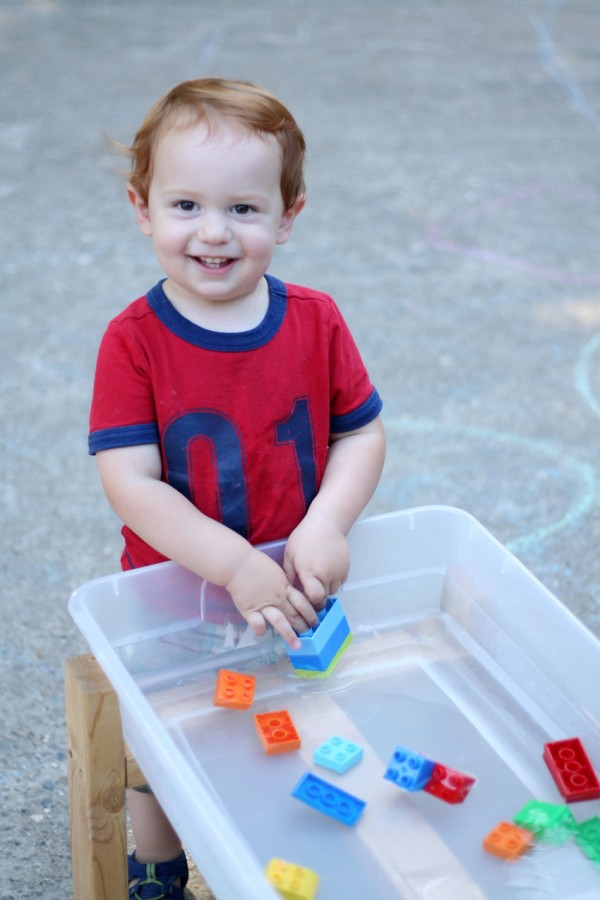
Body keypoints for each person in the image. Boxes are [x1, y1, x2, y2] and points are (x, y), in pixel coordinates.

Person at [89, 77, 386, 899]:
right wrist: (228, 563)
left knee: (309, 722)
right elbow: (132, 484)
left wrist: (327, 522)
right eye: (185, 205)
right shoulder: (134, 342)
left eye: (244, 210)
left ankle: (278, 849)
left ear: (288, 216)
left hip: (295, 586)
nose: (213, 233)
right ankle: (158, 863)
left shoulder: (316, 320)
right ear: (142, 207)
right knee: (167, 740)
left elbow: (361, 430)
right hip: (179, 592)